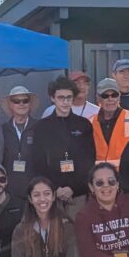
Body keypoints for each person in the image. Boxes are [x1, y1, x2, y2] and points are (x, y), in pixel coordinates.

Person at [31, 75, 96, 218]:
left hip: (77, 194)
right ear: (53, 98)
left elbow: (89, 161)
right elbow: (38, 162)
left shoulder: (83, 125)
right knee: (54, 230)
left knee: (78, 230)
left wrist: (72, 188)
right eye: (61, 98)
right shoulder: (41, 127)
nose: (65, 102)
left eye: (69, 97)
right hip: (51, 194)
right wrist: (54, 188)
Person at [0, 85, 38, 200]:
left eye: (25, 100)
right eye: (16, 101)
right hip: (9, 191)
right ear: (10, 105)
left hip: (34, 191)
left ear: (30, 104)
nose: (21, 104)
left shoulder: (40, 127)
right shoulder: (2, 129)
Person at [91, 77, 129, 171]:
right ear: (98, 98)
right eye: (105, 96)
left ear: (119, 97)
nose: (110, 99)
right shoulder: (89, 122)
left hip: (126, 176)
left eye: (114, 95)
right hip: (100, 176)